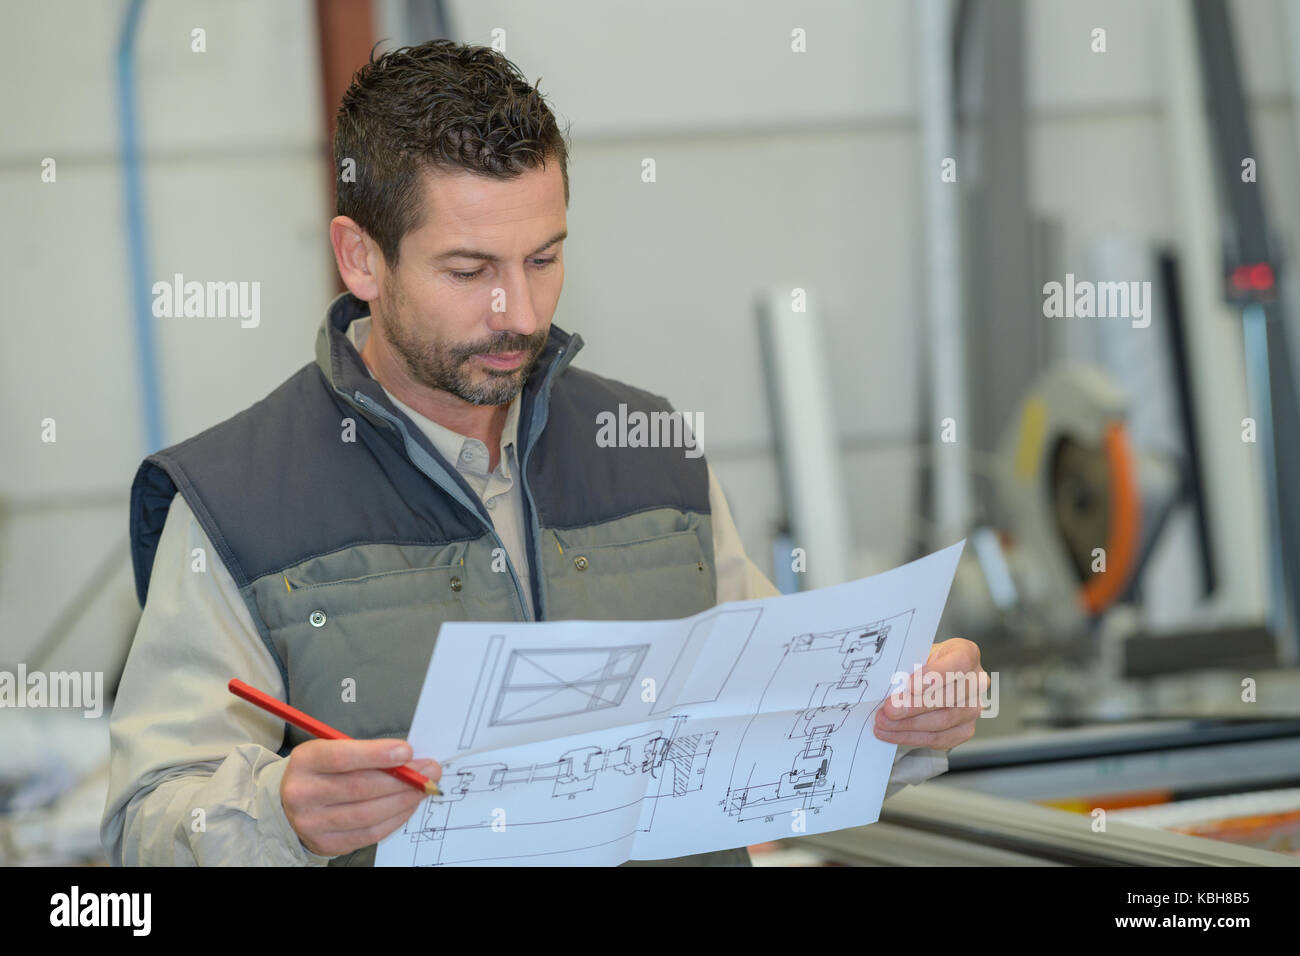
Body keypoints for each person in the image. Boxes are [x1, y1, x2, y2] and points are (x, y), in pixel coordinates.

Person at [102, 39, 981, 867]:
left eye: (545, 257)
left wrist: (896, 718)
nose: (519, 312)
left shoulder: (651, 456)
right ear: (360, 258)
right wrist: (279, 813)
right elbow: (148, 818)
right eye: (467, 270)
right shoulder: (235, 503)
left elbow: (766, 727)